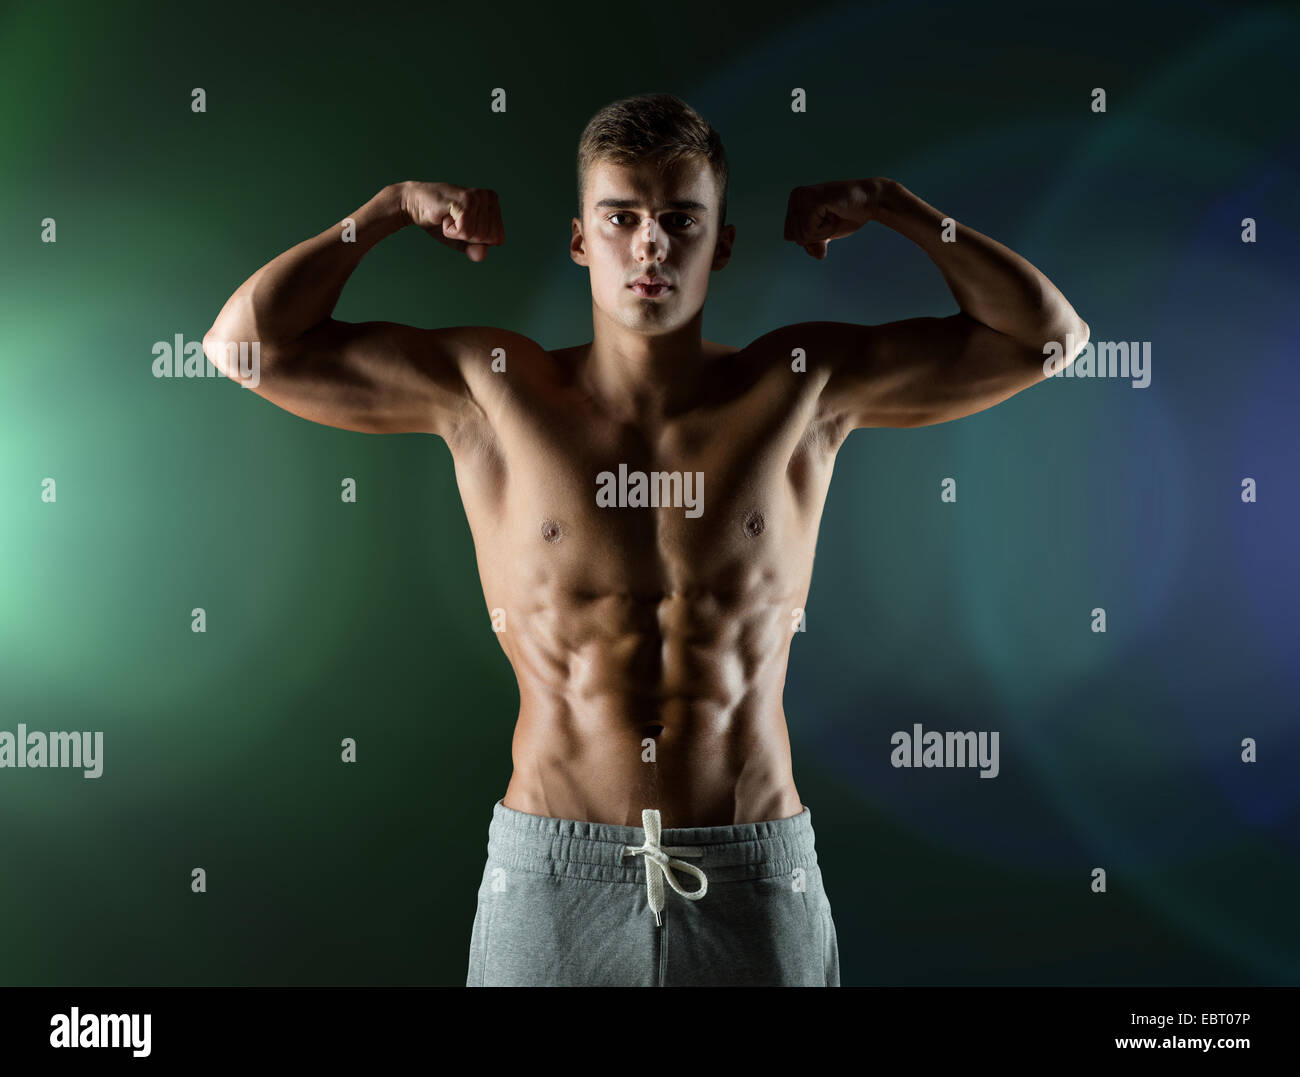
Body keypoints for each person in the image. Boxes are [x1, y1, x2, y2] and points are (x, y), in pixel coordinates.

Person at [204, 93, 1088, 986]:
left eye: (680, 220)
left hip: (751, 867)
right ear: (583, 241)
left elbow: (1048, 337)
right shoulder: (495, 393)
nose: (652, 245)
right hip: (552, 876)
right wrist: (387, 210)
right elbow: (244, 347)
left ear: (721, 244)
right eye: (622, 218)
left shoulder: (798, 389)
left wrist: (898, 207)